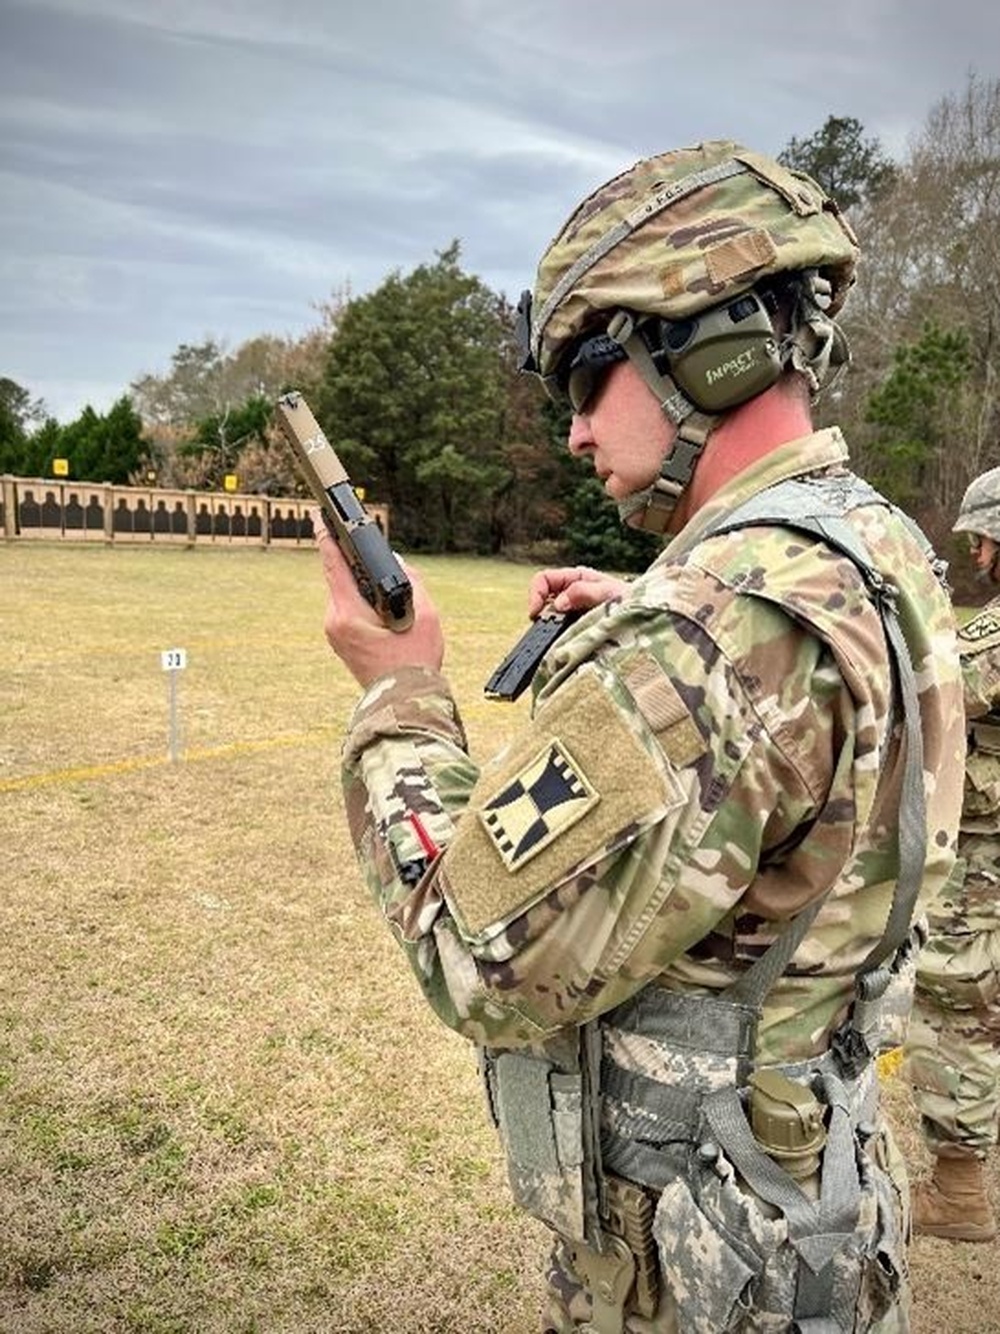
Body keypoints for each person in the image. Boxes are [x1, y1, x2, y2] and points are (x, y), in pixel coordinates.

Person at [314, 140, 965, 1332]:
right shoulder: (876, 547)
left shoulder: (718, 631)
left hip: (700, 1268)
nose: (571, 431)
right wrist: (645, 615)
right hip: (810, 1208)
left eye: (582, 378)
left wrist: (400, 691)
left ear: (701, 349)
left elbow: (482, 956)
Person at [904, 468, 1000, 1243]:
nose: (973, 551)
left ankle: (960, 1190)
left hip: (983, 868)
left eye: (982, 537)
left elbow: (939, 690)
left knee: (958, 1009)